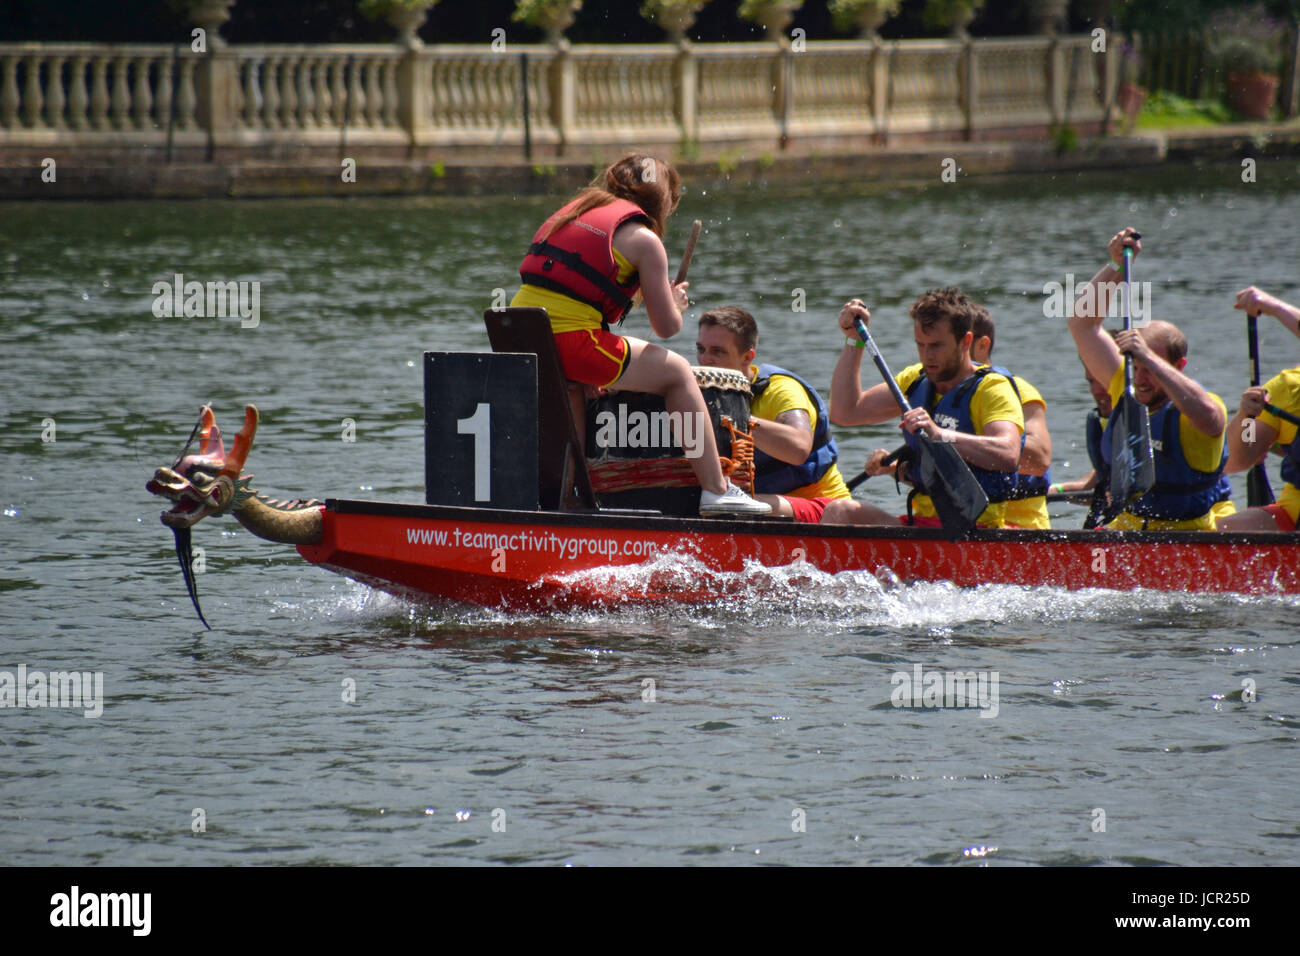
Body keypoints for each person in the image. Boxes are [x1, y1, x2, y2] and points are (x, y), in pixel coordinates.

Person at [511, 154, 768, 516]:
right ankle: (716, 488)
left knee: (576, 385)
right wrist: (674, 304)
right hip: (569, 341)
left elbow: (578, 289)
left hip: (519, 336)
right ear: (665, 201)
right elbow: (666, 328)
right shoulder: (646, 241)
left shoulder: (574, 211)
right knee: (677, 373)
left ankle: (571, 498)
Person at [1067, 227, 1233, 530]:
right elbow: (1082, 323)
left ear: (1178, 365)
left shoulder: (1200, 408)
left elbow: (1210, 419)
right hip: (1126, 530)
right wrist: (1116, 265)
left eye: (1152, 368)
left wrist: (1145, 356)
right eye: (1136, 366)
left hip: (1188, 538)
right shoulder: (1124, 385)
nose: (1141, 379)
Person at [822, 289, 1024, 528]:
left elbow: (1008, 453)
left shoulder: (992, 388)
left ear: (966, 341)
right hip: (920, 525)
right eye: (921, 345)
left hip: (976, 531)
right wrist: (854, 339)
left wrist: (939, 434)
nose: (928, 356)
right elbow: (845, 412)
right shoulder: (915, 379)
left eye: (937, 345)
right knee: (840, 511)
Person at [694, 306, 851, 522]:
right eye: (701, 349)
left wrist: (734, 419)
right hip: (761, 505)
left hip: (823, 509)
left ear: (747, 357)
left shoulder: (782, 391)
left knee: (721, 504)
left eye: (717, 352)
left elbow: (798, 449)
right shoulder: (698, 394)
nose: (704, 360)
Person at [1217, 286, 1300, 532]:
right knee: (1222, 532)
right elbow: (1235, 460)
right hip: (1295, 513)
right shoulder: (1287, 389)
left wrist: (1273, 307)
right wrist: (1246, 418)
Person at [969, 308, 1053, 529]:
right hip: (960, 522)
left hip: (1020, 528)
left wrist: (957, 440)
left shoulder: (1021, 392)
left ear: (981, 345)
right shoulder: (936, 391)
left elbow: (1039, 461)